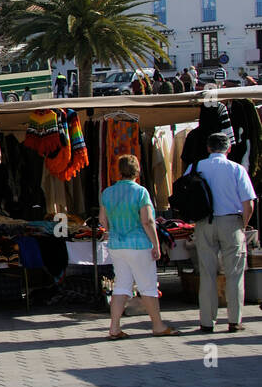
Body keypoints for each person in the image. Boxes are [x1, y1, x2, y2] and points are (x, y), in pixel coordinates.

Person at [100, 155, 178, 339]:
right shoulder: (141, 192)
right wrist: (156, 244)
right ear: (137, 171)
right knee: (148, 286)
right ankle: (157, 325)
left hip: (116, 244)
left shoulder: (107, 192)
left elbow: (103, 220)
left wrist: (111, 230)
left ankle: (114, 327)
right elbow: (148, 221)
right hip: (139, 244)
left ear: (118, 170)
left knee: (121, 286)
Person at [189, 132, 256, 332]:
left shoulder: (196, 167)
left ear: (208, 148)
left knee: (207, 273)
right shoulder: (236, 169)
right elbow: (248, 203)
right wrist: (243, 225)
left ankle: (207, 321)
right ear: (228, 148)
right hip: (231, 221)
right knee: (234, 273)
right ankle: (234, 320)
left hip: (204, 222)